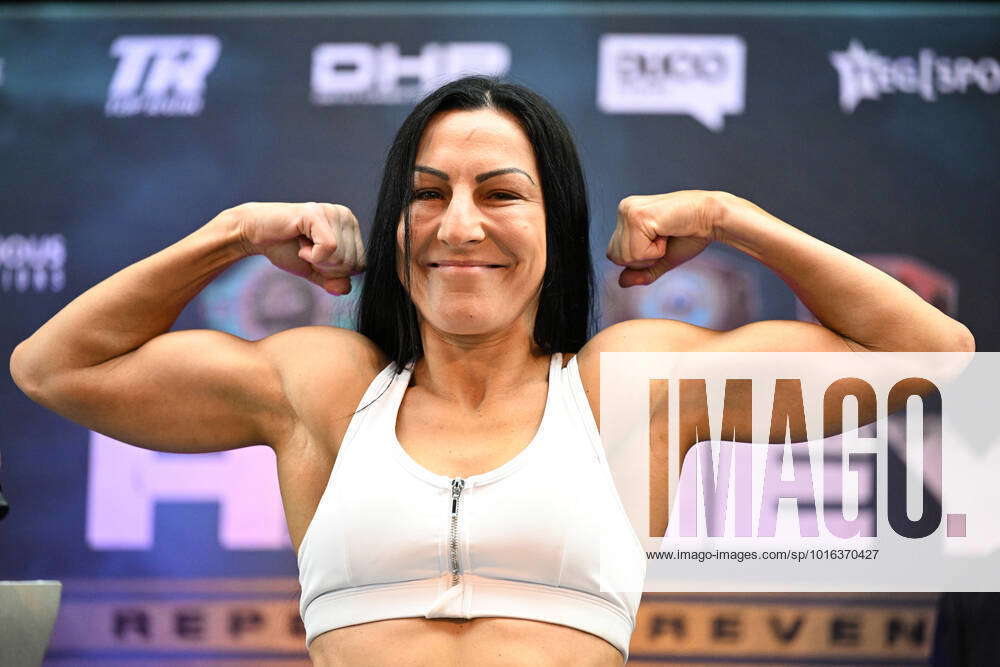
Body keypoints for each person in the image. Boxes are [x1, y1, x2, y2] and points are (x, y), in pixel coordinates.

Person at [9, 76, 973, 667]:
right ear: (395, 227)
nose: (459, 225)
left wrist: (728, 216)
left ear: (556, 224)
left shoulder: (623, 389)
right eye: (428, 196)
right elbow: (55, 366)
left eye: (500, 193)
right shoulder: (329, 387)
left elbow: (934, 353)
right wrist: (234, 231)